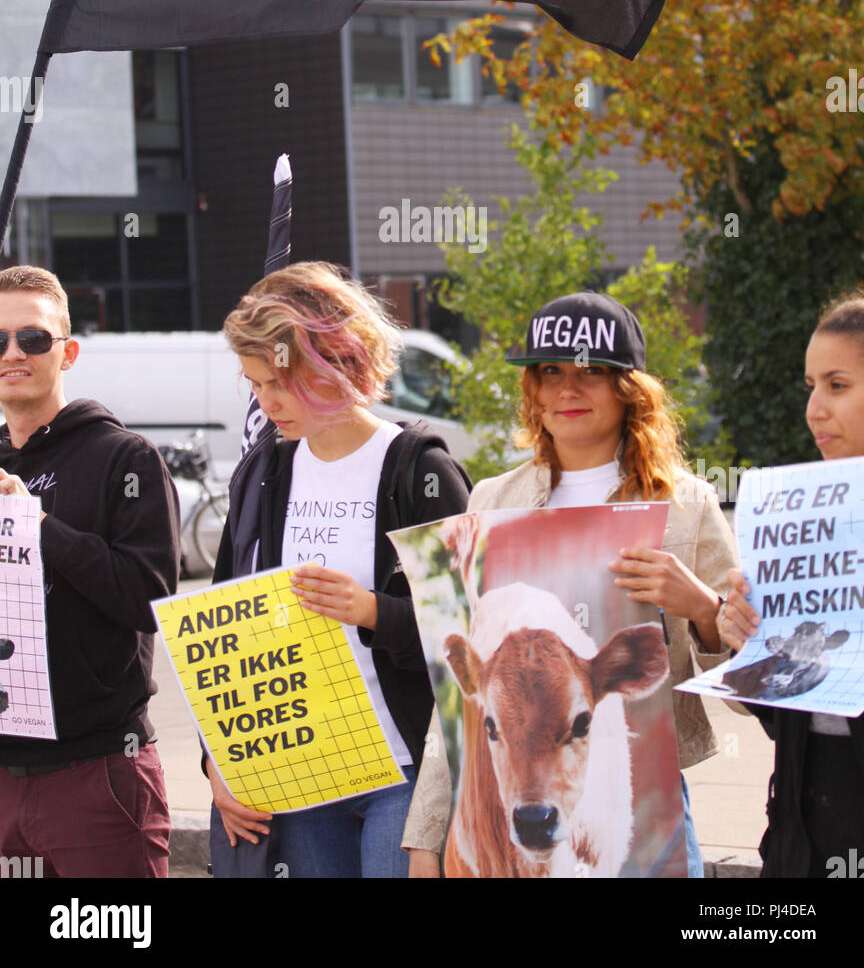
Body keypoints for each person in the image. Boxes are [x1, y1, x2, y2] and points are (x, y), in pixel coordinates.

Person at [404, 291, 737, 878]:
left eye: (590, 373)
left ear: (628, 388)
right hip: (516, 821)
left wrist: (704, 607)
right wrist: (427, 836)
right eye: (549, 372)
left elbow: (743, 681)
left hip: (647, 813)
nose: (566, 390)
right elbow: (456, 700)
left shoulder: (686, 505)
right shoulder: (491, 501)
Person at [206, 261, 470, 878]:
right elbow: (223, 622)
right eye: (254, 386)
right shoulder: (264, 473)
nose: (267, 403)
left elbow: (469, 631)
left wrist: (371, 611)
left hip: (407, 767)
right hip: (299, 766)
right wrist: (219, 757)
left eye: (280, 383)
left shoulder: (419, 469)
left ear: (338, 364)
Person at [0, 265, 180, 877]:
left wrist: (36, 525)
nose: (12, 353)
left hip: (96, 770)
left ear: (67, 351)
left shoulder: (123, 458)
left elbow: (147, 598)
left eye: (32, 338)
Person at [718, 290, 864, 878]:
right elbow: (792, 722)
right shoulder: (798, 521)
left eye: (837, 384)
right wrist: (751, 646)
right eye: (811, 387)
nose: (814, 410)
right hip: (803, 844)